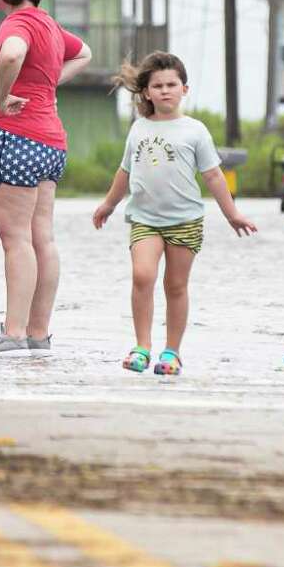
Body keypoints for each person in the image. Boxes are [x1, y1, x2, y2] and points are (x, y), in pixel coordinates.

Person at [92, 52, 257, 376]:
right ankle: (142, 347)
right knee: (142, 276)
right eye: (158, 85)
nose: (165, 90)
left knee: (176, 286)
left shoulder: (195, 131)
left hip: (185, 220)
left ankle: (171, 352)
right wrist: (109, 204)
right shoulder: (139, 128)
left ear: (185, 89)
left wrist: (232, 214)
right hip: (144, 219)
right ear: (147, 93)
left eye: (171, 84)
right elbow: (124, 172)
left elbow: (213, 176)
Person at [0, 0, 91, 356]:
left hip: (14, 137)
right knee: (43, 240)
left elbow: (13, 53)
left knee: (16, 239)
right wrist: (50, 82)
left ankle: (14, 332)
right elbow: (85, 53)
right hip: (50, 140)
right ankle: (38, 333)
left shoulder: (16, 24)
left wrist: (3, 97)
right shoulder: (50, 25)